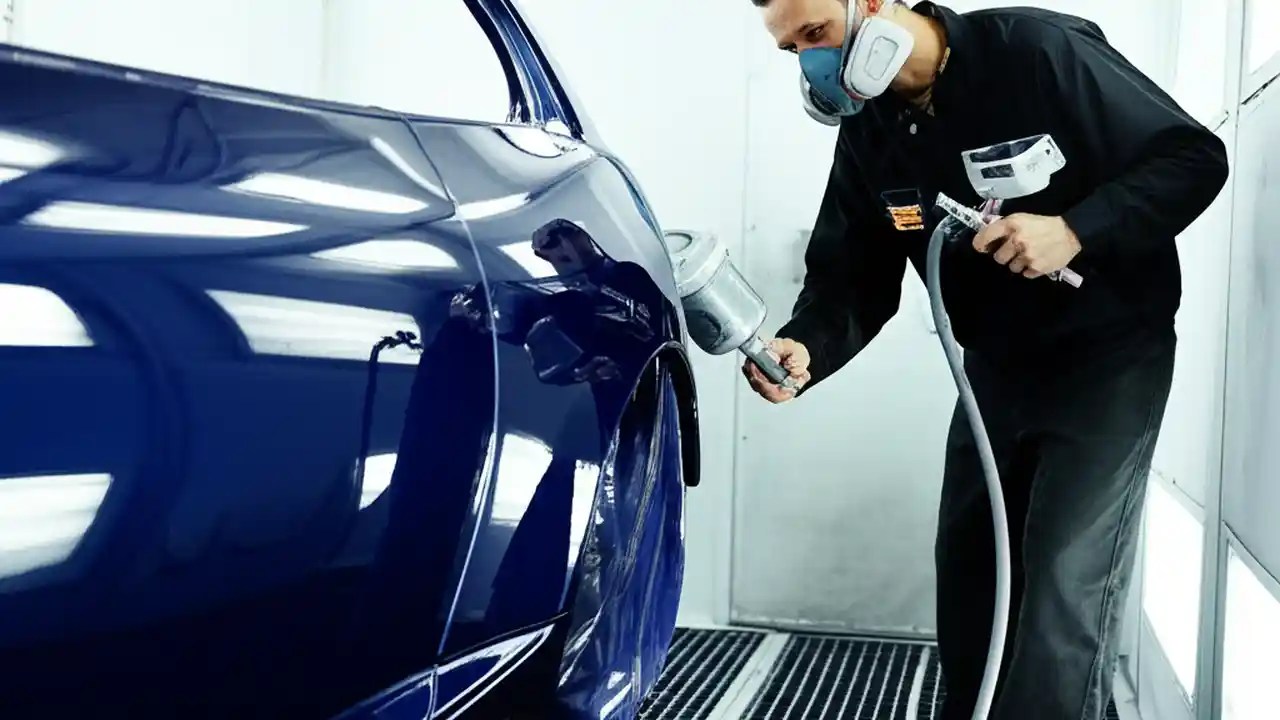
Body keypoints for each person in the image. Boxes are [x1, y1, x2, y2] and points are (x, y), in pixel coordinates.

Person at [741, 1, 1229, 718]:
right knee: (973, 580)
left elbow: (1192, 157)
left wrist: (1075, 229)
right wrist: (805, 345)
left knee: (1065, 584)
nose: (811, 62)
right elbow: (851, 276)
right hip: (995, 374)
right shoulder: (872, 132)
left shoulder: (1035, 49)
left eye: (816, 34)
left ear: (876, 7)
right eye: (791, 51)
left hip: (1108, 361)